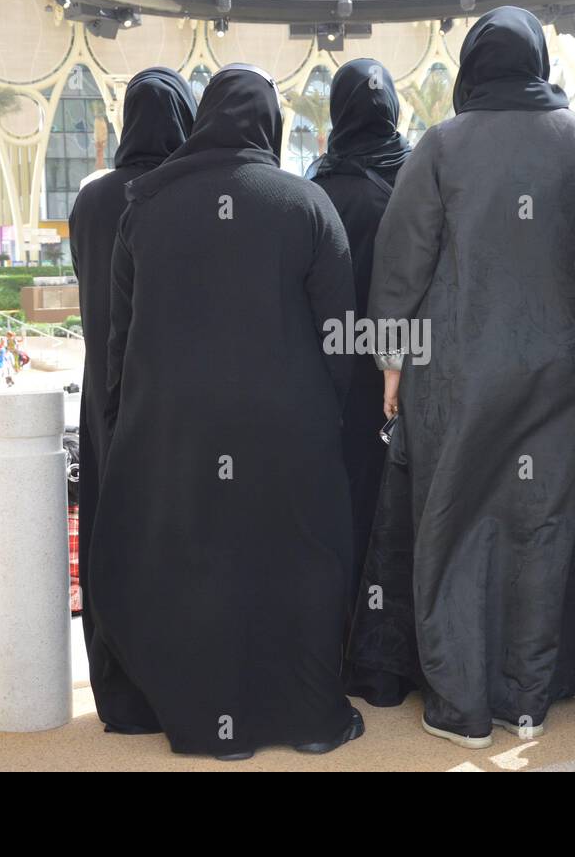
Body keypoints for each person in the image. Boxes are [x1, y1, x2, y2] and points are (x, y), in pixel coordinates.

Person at [350, 6, 575, 748]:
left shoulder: (442, 145)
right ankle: (527, 698)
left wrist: (390, 368)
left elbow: (400, 266)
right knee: (544, 525)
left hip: (457, 374)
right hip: (564, 369)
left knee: (454, 524)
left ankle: (460, 705)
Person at [91, 64, 362, 759]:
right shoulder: (304, 204)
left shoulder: (145, 204)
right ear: (269, 125)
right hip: (287, 422)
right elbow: (340, 334)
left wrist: (132, 423)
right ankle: (305, 719)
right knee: (298, 560)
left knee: (198, 563)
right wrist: (320, 415)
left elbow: (120, 338)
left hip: (174, 428)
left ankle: (213, 722)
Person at [68, 66, 196, 734]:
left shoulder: (92, 200)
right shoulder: (179, 199)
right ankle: (170, 683)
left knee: (105, 533)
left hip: (99, 396)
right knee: (169, 538)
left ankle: (116, 693)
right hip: (166, 396)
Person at [306, 58, 411, 605]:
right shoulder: (419, 175)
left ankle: (344, 629)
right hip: (406, 368)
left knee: (343, 496)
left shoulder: (316, 186)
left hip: (331, 372)